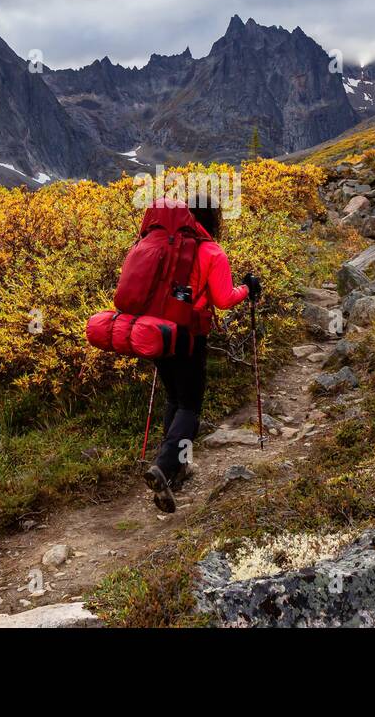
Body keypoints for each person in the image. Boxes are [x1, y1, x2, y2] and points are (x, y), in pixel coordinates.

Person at [143, 199, 260, 513]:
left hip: (156, 331)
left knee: (174, 400)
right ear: (213, 219)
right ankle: (166, 467)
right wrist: (247, 289)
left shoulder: (162, 246)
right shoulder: (212, 252)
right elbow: (223, 300)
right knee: (190, 406)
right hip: (190, 336)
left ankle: (177, 470)